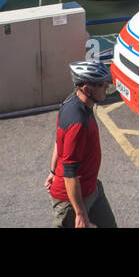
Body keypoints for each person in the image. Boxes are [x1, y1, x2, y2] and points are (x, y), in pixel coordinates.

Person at [46, 59, 117, 228]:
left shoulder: (73, 102)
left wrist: (52, 171)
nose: (106, 86)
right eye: (101, 84)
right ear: (87, 88)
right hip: (71, 202)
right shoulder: (77, 123)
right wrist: (80, 212)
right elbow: (70, 173)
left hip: (91, 188)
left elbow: (59, 142)